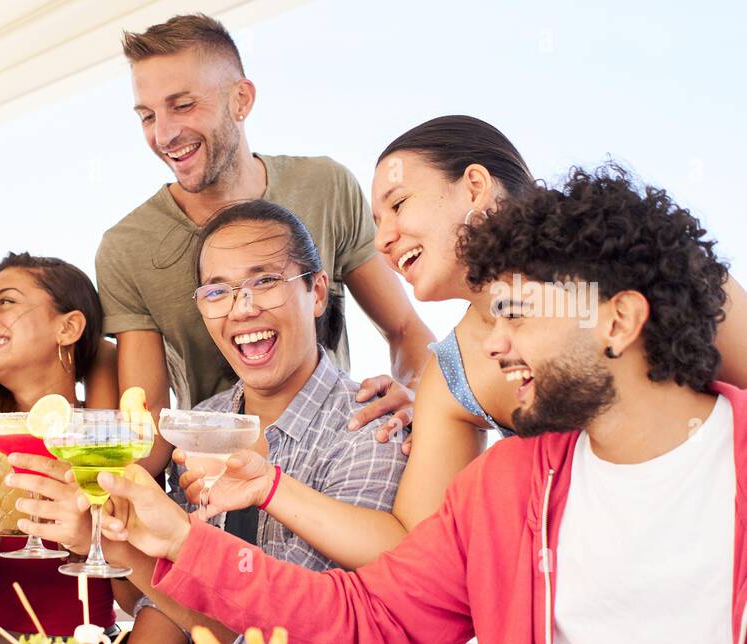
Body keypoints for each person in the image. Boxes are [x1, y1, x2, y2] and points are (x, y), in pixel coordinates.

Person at [98, 167, 747, 644]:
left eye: (515, 313)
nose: (493, 345)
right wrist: (183, 542)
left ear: (618, 320)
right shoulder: (510, 485)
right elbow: (368, 620)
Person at [186, 115, 747, 571]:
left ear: (474, 186)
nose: (382, 241)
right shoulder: (448, 379)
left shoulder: (644, 260)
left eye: (398, 204)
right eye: (375, 221)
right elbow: (408, 545)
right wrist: (269, 485)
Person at [112, 200, 466, 644]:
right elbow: (179, 609)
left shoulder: (373, 424)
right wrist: (110, 537)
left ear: (317, 291)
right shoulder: (202, 425)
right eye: (218, 290)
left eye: (265, 281)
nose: (242, 307)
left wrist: (246, 501)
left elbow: (292, 626)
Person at [97, 13, 436, 475]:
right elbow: (147, 417)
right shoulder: (127, 248)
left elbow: (403, 329)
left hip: (334, 459)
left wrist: (419, 403)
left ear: (241, 99)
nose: (163, 134)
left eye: (182, 105)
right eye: (147, 116)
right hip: (216, 482)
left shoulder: (326, 186)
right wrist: (104, 493)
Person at [0, 254, 124, 635]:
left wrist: (95, 533)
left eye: (7, 302)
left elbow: (139, 600)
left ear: (69, 327)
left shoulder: (107, 443)